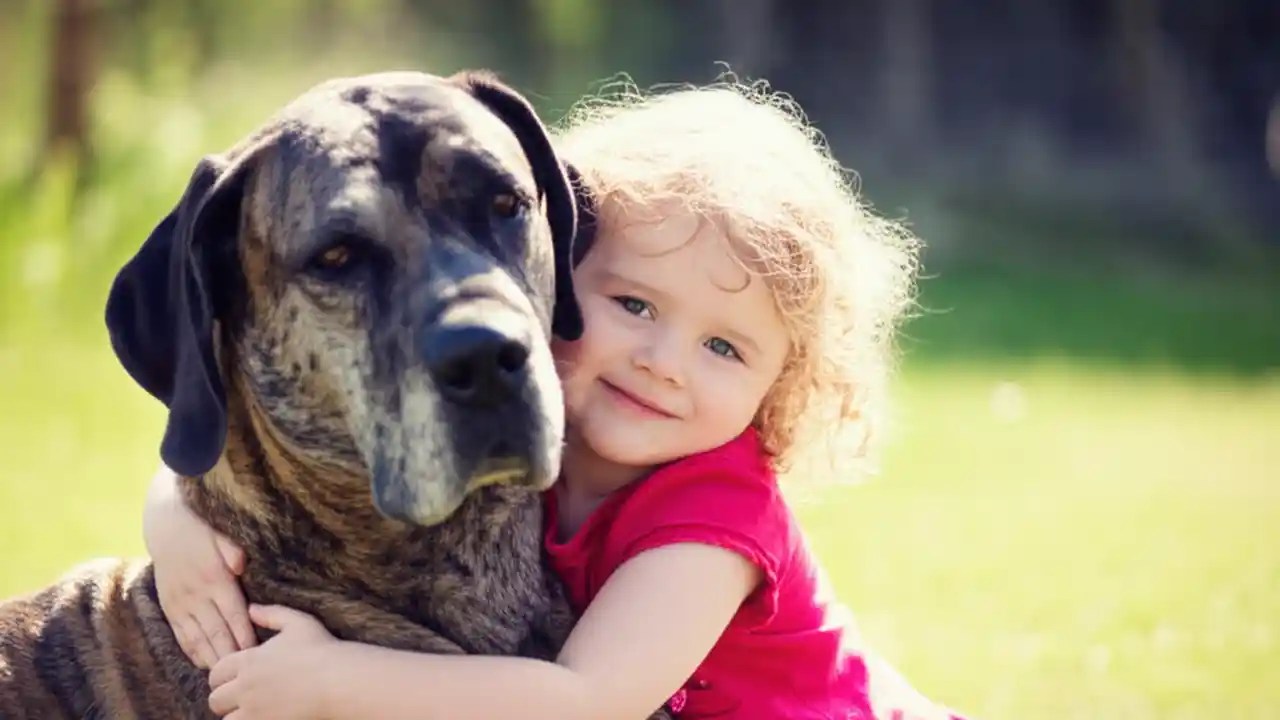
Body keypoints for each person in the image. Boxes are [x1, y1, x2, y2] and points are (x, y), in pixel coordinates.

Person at [143, 77, 966, 719]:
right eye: (634, 306)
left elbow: (583, 703)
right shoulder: (554, 414)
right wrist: (176, 521)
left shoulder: (716, 516)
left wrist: (336, 682)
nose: (664, 364)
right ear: (564, 268)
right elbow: (225, 456)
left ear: (778, 384)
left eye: (724, 347)